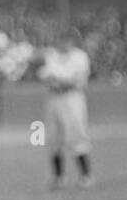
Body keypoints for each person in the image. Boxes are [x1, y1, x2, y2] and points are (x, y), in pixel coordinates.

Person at [38, 28, 94, 189]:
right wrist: (57, 80)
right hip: (53, 98)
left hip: (72, 98)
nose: (63, 43)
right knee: (53, 137)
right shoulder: (51, 55)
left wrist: (58, 79)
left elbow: (75, 80)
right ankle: (58, 177)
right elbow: (44, 76)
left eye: (66, 39)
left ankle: (85, 175)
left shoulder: (79, 56)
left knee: (77, 134)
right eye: (60, 39)